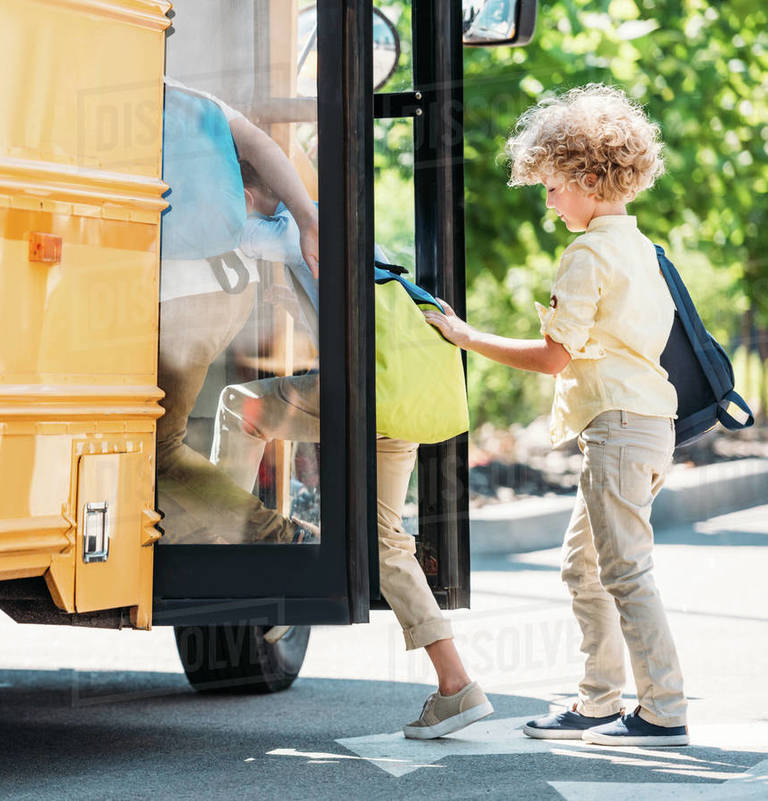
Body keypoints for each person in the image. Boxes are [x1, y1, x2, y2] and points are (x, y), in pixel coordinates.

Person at [424, 84, 689, 746]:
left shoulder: (588, 254)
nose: (547, 202)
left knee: (624, 570)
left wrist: (463, 335)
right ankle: (598, 700)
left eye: (551, 186)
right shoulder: (641, 250)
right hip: (645, 427)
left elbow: (552, 357)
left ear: (590, 176)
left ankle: (663, 709)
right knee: (584, 566)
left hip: (620, 430)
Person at [213, 161, 494, 740]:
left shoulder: (289, 227)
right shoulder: (357, 232)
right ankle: (456, 685)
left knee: (240, 408)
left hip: (359, 391)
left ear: (248, 191)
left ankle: (234, 540)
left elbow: (218, 231)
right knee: (389, 542)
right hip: (399, 399)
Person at [156, 79, 318, 545]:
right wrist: (307, 220)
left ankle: (280, 539)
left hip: (179, 296)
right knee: (155, 444)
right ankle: (198, 548)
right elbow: (262, 145)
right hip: (232, 287)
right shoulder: (196, 98)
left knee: (159, 449)